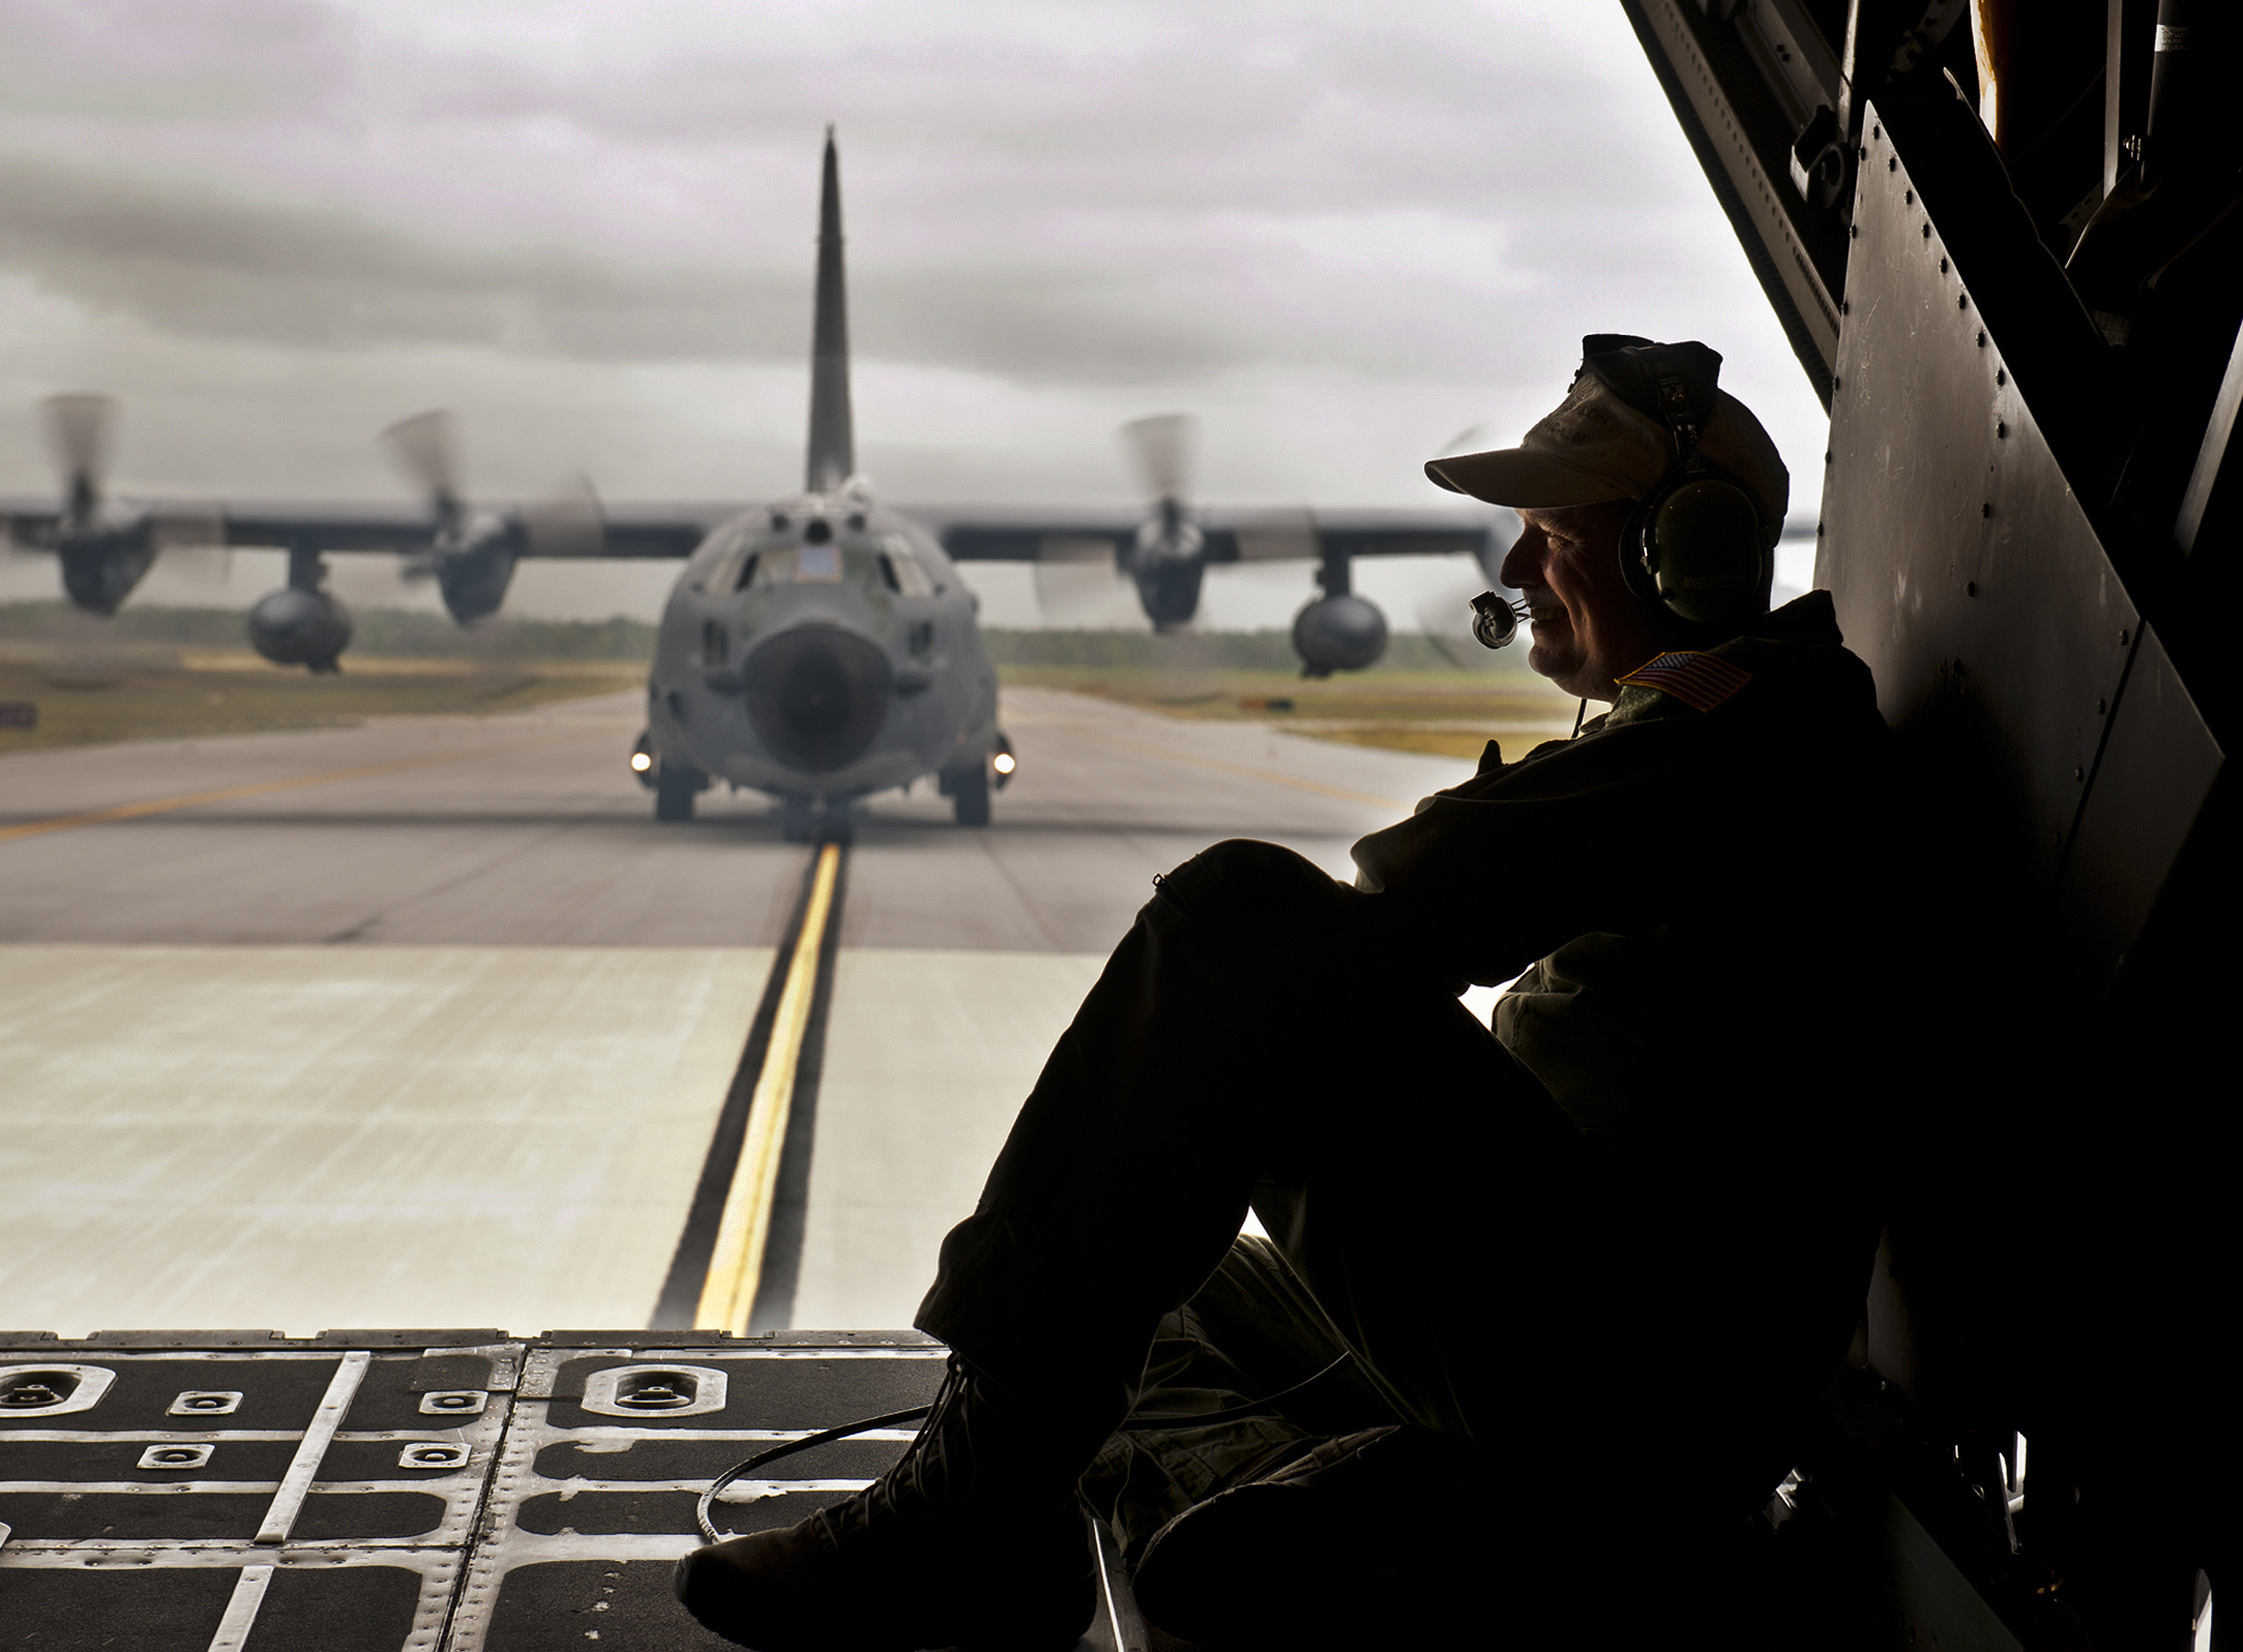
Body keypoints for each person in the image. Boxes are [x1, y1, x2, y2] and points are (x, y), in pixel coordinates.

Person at [674, 336, 1898, 1650]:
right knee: (1157, 1293)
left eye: (1553, 534)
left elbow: (1422, 888)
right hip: (1604, 1329)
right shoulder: (1723, 727)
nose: (1520, 572)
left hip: (1645, 1380)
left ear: (1683, 547)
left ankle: (983, 1518)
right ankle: (1341, 1511)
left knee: (1235, 919)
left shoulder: (1747, 736)